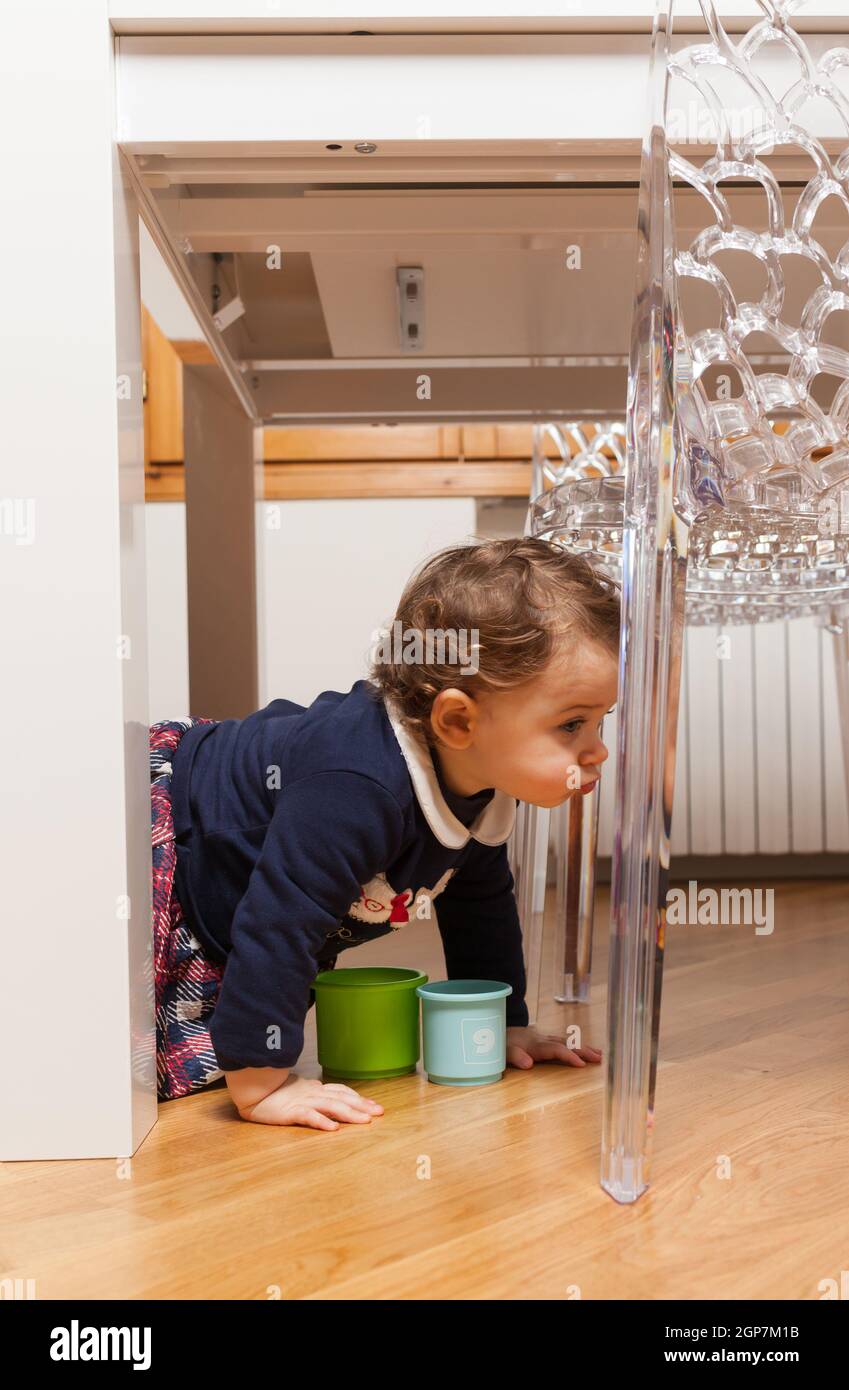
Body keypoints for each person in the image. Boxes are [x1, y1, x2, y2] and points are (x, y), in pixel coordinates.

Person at [149, 536, 620, 1129]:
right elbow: (281, 917)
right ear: (457, 720)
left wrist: (502, 1025)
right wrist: (260, 1082)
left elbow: (481, 907)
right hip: (175, 827)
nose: (598, 748)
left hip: (234, 878)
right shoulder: (356, 785)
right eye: (572, 724)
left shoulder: (480, 780)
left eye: (603, 720)